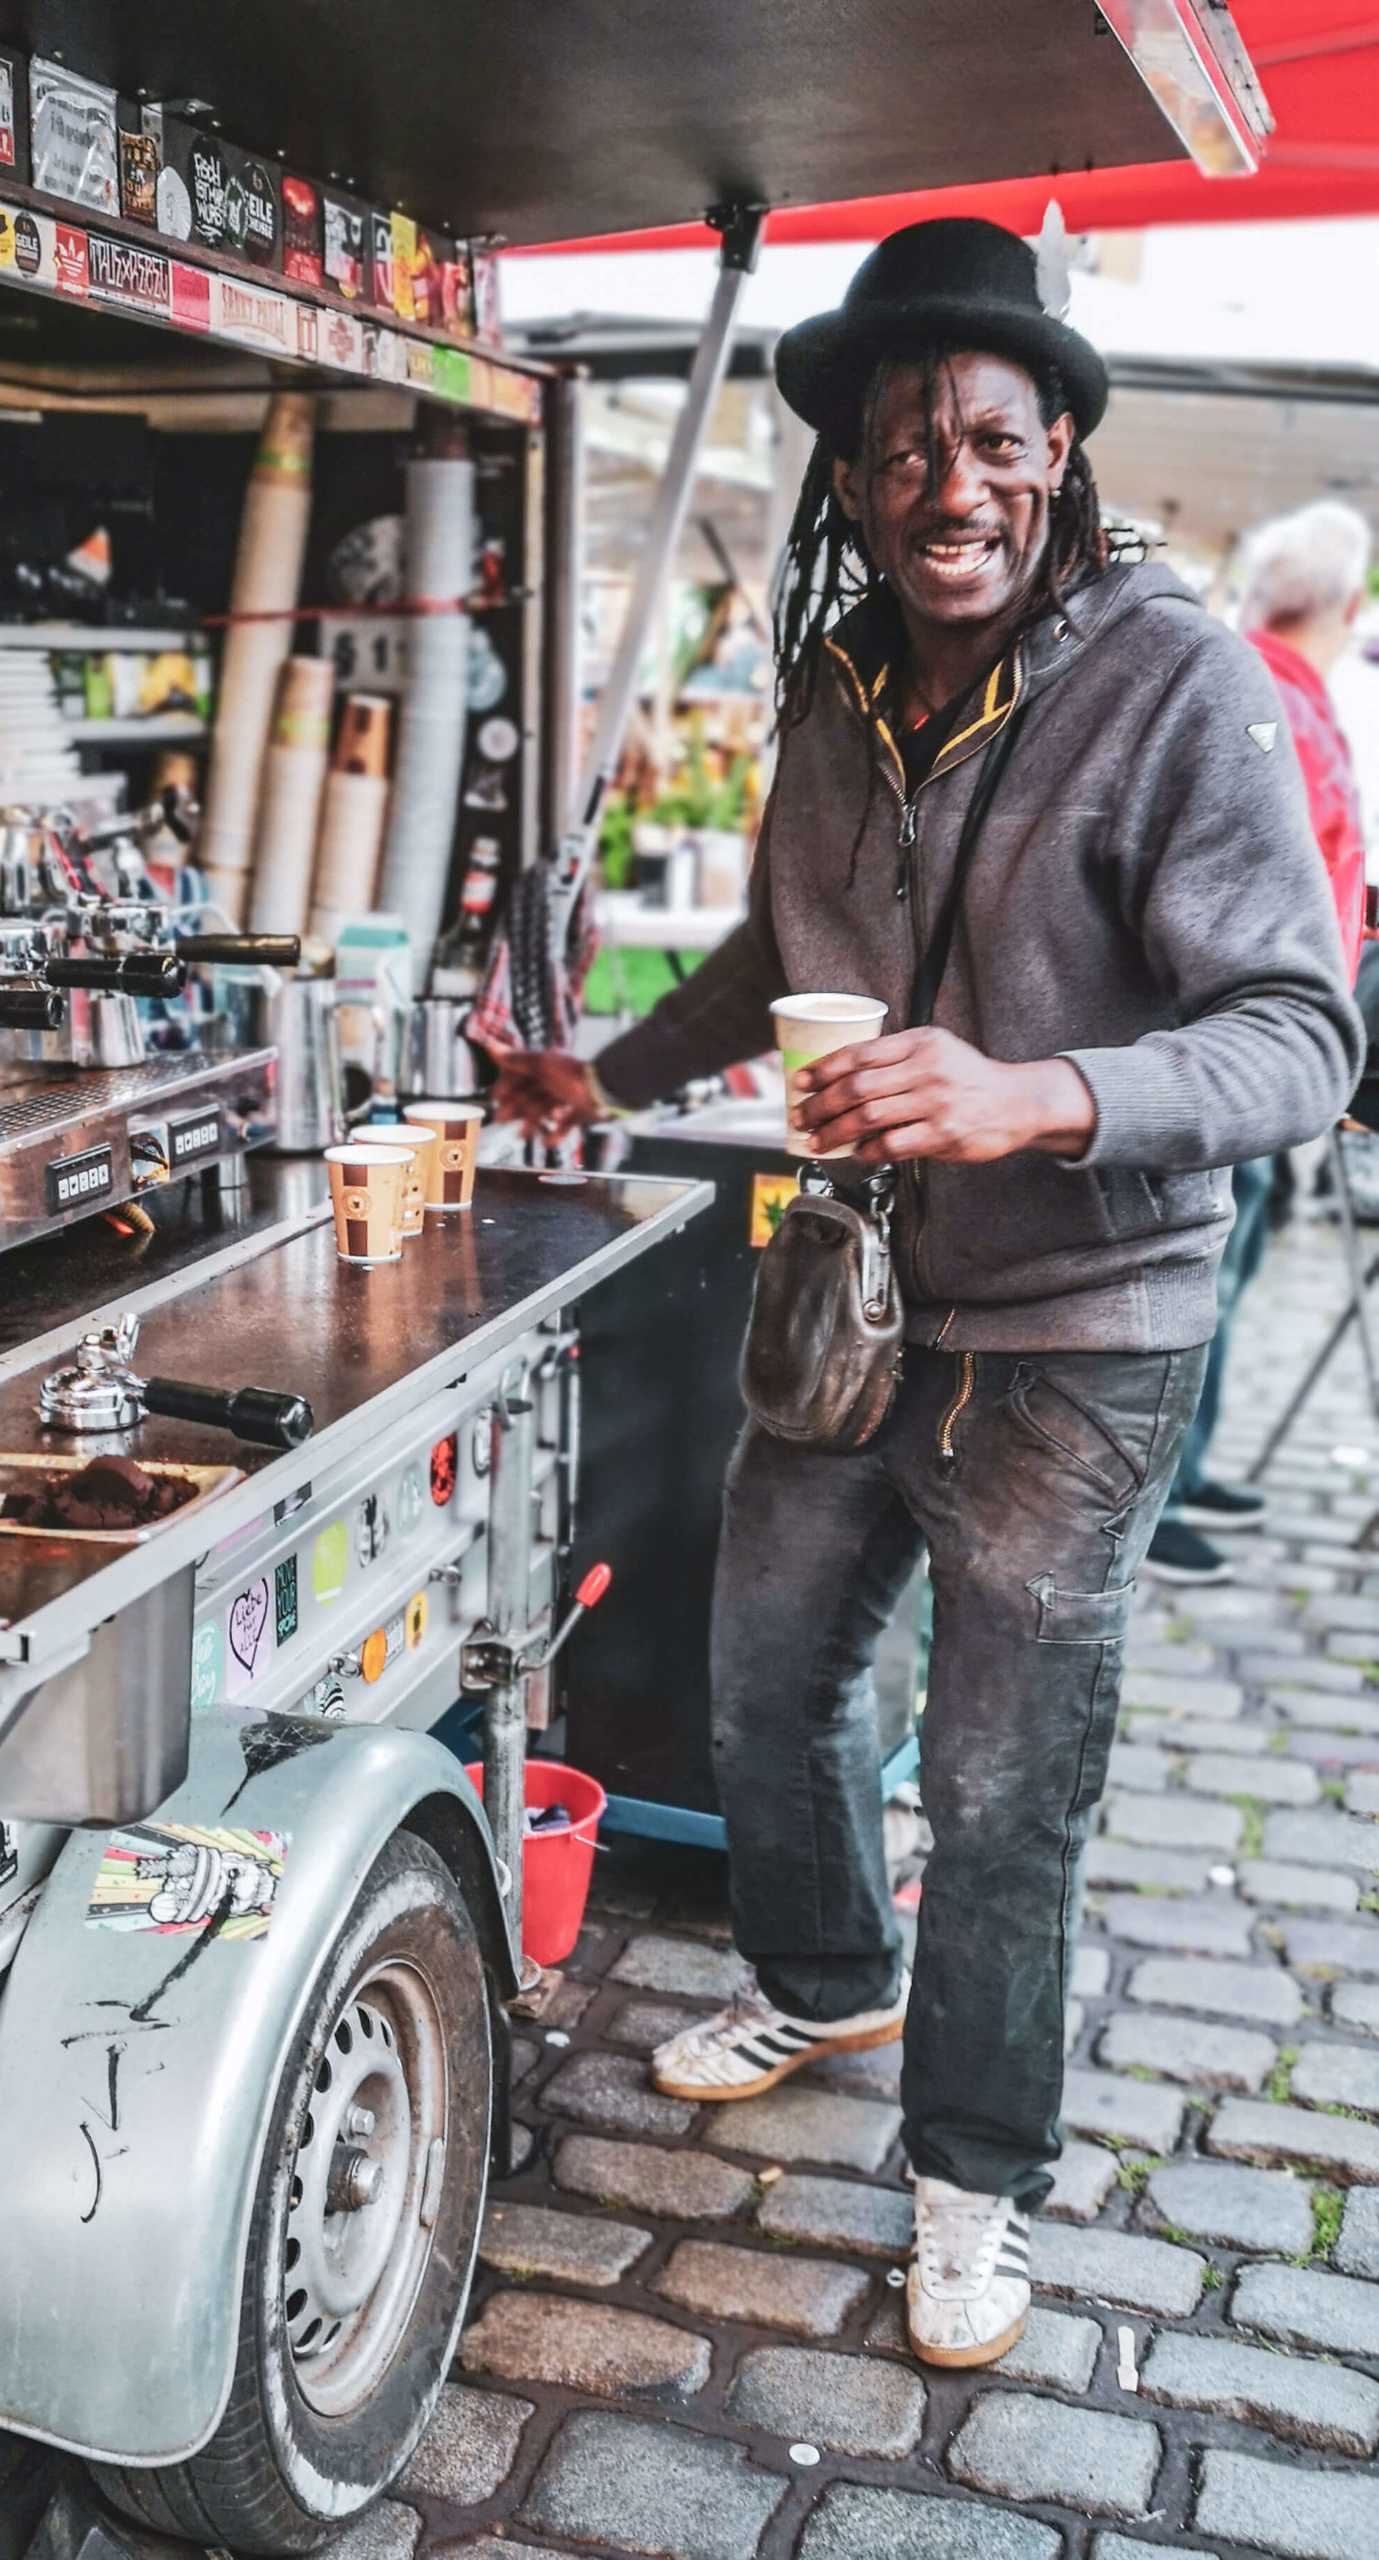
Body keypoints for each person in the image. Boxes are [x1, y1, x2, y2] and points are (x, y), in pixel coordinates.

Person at [497, 218, 1362, 2369]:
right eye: (904, 449)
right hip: (857, 1293)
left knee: (1002, 1783)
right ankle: (818, 1971)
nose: (946, 486)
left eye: (990, 439)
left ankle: (974, 2175)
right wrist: (594, 1072)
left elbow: (1298, 1034)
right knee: (770, 1675)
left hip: (1087, 1333)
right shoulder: (839, 670)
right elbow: (762, 955)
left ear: (1057, 450)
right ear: (855, 477)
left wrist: (1032, 1094)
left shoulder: (1184, 683)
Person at [1147, 498, 1371, 1585]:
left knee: (1230, 1268)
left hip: (1273, 1048)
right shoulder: (1263, 691)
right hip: (1236, 1045)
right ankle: (1157, 1493)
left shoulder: (1288, 687)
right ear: (1350, 603)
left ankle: (1185, 1474)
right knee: (1205, 1271)